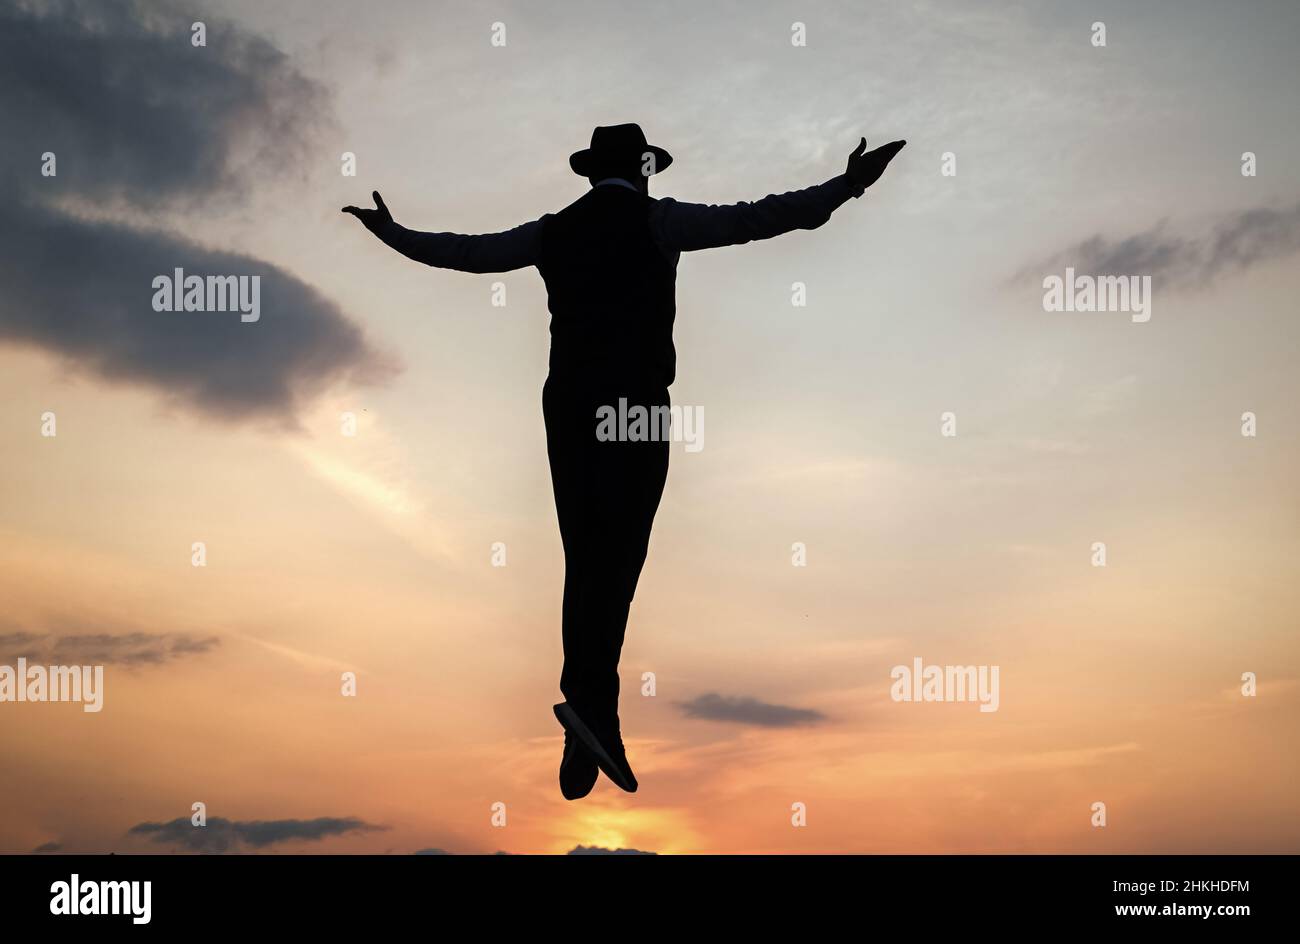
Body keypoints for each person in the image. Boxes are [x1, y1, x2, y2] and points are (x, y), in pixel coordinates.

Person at [343, 123, 905, 799]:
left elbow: (465, 254)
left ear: (589, 175)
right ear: (644, 170)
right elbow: (766, 217)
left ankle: (590, 710)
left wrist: (391, 233)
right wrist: (846, 185)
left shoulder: (551, 232)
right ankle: (589, 709)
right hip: (635, 408)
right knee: (619, 558)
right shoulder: (661, 221)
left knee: (585, 557)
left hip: (570, 408)